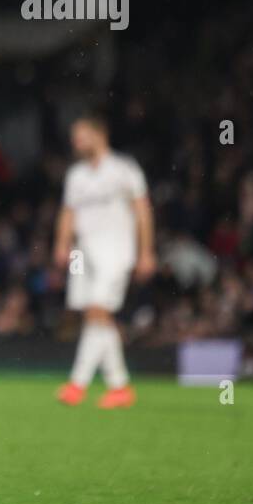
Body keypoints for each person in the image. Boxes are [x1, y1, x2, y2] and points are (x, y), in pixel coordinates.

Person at [54, 112, 155, 408]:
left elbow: (143, 211)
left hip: (116, 250)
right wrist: (62, 246)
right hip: (81, 253)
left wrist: (146, 252)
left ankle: (78, 383)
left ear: (100, 135)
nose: (76, 141)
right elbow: (68, 214)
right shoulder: (76, 175)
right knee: (92, 314)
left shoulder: (124, 169)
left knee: (99, 310)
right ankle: (119, 386)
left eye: (81, 135)